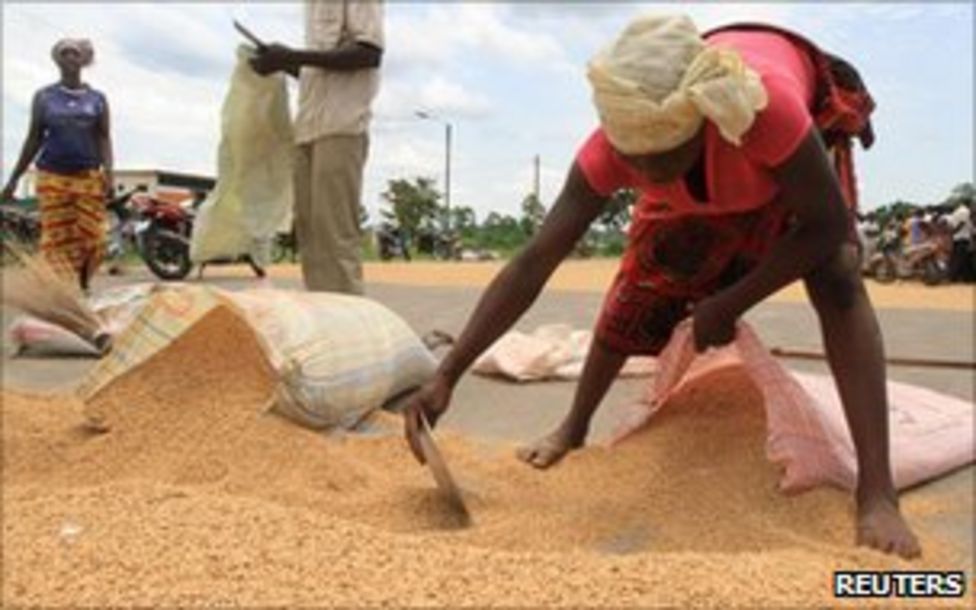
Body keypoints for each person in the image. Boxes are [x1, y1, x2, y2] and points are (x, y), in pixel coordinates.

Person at [403, 15, 921, 559]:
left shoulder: (762, 109)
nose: (646, 172)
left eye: (661, 155)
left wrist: (731, 302)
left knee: (838, 278)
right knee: (639, 286)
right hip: (711, 162)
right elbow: (534, 261)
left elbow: (826, 224)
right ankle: (574, 426)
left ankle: (877, 489)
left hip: (788, 150)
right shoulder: (616, 146)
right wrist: (447, 374)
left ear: (698, 122)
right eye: (634, 159)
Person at [249, 0, 384, 294]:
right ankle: (323, 312)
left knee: (335, 238)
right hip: (308, 129)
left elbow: (369, 53)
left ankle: (348, 317)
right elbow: (317, 73)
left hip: (342, 126)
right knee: (311, 237)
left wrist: (292, 55)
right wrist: (281, 63)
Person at [2, 38, 113, 292]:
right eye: (64, 53)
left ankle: (83, 280)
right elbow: (33, 138)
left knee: (94, 237)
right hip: (52, 177)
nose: (70, 57)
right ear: (56, 60)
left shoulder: (97, 99)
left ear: (84, 59)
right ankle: (64, 289)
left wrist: (109, 172)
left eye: (75, 53)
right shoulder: (44, 97)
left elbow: (104, 137)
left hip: (88, 177)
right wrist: (14, 178)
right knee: (57, 239)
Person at [946, 200, 974, 282]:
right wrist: (955, 231)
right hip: (963, 237)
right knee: (960, 260)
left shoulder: (955, 212)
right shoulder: (965, 211)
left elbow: (951, 224)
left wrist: (952, 233)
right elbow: (962, 223)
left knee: (963, 260)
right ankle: (953, 277)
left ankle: (967, 278)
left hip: (957, 238)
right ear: (969, 204)